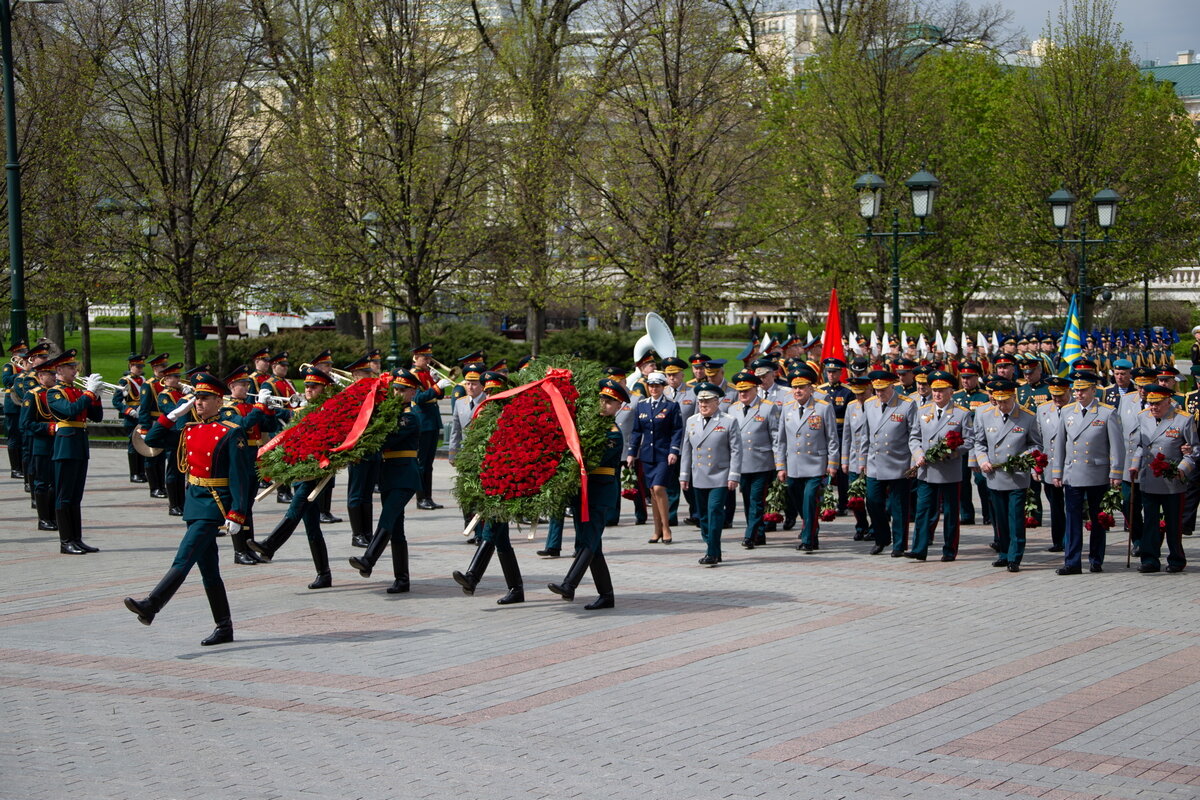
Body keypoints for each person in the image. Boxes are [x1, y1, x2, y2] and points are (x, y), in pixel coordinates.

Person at [123, 372, 250, 646]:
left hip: (214, 507)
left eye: (204, 398)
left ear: (219, 400)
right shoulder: (189, 429)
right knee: (209, 571)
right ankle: (224, 627)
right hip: (194, 504)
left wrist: (237, 512)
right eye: (196, 398)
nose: (199, 403)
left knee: (183, 559)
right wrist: (171, 415)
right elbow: (153, 440)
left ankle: (151, 605)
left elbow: (241, 477)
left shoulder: (231, 432)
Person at [248, 368, 338, 588]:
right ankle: (324, 574)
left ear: (324, 389)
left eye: (314, 387)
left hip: (316, 473)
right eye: (306, 386)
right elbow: (286, 419)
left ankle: (270, 545)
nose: (308, 390)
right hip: (300, 472)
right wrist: (268, 405)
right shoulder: (303, 409)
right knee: (312, 527)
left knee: (295, 509)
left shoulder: (328, 411)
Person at [547, 378, 630, 608]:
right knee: (592, 544)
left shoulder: (613, 434)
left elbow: (591, 461)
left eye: (610, 402)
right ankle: (606, 595)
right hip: (583, 493)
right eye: (602, 399)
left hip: (600, 495)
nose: (604, 404)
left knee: (588, 542)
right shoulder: (589, 427)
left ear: (619, 407)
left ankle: (569, 584)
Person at [350, 370, 427, 594]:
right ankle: (402, 579)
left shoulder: (411, 416)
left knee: (387, 518)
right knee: (396, 529)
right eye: (395, 388)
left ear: (413, 392)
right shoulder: (389, 412)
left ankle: (368, 560)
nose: (397, 392)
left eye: (403, 389)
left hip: (405, 476)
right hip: (388, 475)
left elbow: (386, 439)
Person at [1051, 370, 1124, 575]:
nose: (1079, 394)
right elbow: (1060, 444)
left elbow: (1116, 445)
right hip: (1073, 472)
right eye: (1076, 390)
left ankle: (1096, 559)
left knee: (1097, 518)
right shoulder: (1067, 411)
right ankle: (1072, 561)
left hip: (1097, 471)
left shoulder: (1107, 412)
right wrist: (1057, 471)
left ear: (1094, 390)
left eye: (1083, 390)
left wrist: (1116, 472)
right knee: (1072, 519)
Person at [972, 378, 1043, 573]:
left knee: (1015, 518)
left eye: (1005, 401)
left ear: (1013, 398)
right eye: (998, 401)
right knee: (1000, 519)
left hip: (1017, 475)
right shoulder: (986, 415)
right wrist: (982, 460)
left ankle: (1015, 556)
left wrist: (1023, 458)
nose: (1001, 405)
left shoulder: (1027, 417)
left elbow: (1036, 444)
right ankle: (1003, 553)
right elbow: (979, 442)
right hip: (994, 474)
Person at [1128, 385, 1198, 573]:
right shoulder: (1143, 417)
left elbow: (1194, 452)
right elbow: (1141, 446)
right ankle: (1149, 559)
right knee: (1149, 521)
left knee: (1173, 523)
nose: (1153, 408)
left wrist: (1182, 470)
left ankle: (1176, 559)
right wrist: (1134, 464)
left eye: (1157, 403)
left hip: (1172, 481)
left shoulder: (1183, 419)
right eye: (1150, 403)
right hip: (1149, 477)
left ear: (1168, 401)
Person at [43, 350, 106, 554]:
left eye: (75, 366)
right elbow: (69, 411)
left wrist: (96, 396)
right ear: (59, 369)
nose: (75, 370)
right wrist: (89, 393)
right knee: (64, 495)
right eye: (71, 367)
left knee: (76, 496)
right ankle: (65, 541)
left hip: (79, 445)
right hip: (65, 447)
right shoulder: (54, 392)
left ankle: (77, 539)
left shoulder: (78, 392)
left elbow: (96, 417)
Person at [906, 371, 971, 562]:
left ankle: (949, 550)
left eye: (941, 391)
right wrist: (918, 454)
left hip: (949, 469)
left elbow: (969, 441)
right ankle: (919, 548)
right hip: (926, 469)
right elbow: (914, 437)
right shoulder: (923, 411)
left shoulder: (961, 413)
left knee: (951, 513)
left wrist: (951, 452)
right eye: (934, 390)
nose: (937, 394)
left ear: (951, 392)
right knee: (923, 510)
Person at [773, 365, 838, 553]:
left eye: (802, 387)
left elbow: (832, 438)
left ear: (811, 389)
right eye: (795, 387)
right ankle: (811, 526)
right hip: (793, 465)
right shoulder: (787, 408)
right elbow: (781, 440)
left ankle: (808, 539)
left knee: (810, 499)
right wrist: (780, 466)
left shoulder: (822, 408)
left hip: (816, 464)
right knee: (798, 499)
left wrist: (832, 464)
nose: (798, 391)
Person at [221, 365, 278, 565]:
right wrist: (260, 407)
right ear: (231, 386)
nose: (246, 387)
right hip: (240, 457)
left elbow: (270, 427)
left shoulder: (250, 406)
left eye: (247, 384)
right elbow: (242, 426)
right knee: (240, 503)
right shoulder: (227, 408)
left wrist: (269, 410)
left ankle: (249, 546)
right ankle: (239, 551)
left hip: (254, 456)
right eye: (242, 384)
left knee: (248, 505)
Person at [679, 381, 741, 566]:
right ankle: (713, 547)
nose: (703, 405)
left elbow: (736, 450)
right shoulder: (691, 421)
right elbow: (687, 449)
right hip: (699, 476)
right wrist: (684, 475)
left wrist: (734, 475)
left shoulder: (728, 421)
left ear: (717, 402)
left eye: (708, 401)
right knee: (703, 516)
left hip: (720, 475)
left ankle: (711, 552)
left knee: (714, 511)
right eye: (701, 402)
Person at [857, 370, 917, 556]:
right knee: (873, 502)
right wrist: (862, 459)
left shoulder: (907, 404)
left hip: (899, 462)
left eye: (883, 390)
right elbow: (865, 434)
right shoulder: (869, 404)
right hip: (875, 462)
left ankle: (899, 544)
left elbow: (914, 434)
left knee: (899, 506)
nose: (879, 394)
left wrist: (913, 461)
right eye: (876, 390)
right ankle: (882, 537)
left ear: (892, 386)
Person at [627, 371, 683, 544]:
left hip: (664, 454)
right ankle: (656, 529)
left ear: (663, 387)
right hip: (647, 455)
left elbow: (677, 430)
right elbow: (636, 431)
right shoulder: (642, 405)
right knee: (652, 492)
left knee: (659, 489)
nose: (653, 389)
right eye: (651, 386)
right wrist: (631, 452)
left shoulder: (671, 406)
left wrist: (674, 450)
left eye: (657, 386)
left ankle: (666, 527)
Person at [728, 370, 779, 549]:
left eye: (747, 390)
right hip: (742, 463)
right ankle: (759, 533)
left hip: (761, 462)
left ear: (755, 389)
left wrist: (779, 464)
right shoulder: (733, 408)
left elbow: (776, 437)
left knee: (757, 500)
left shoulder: (767, 407)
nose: (743, 394)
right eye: (740, 391)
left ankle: (750, 535)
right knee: (748, 499)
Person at [343, 354, 382, 548]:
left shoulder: (373, 393)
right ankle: (357, 533)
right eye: (364, 374)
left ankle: (367, 531)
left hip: (373, 449)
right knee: (357, 493)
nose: (368, 377)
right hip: (357, 450)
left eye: (369, 373)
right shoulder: (350, 395)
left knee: (367, 493)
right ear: (355, 375)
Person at [20, 358, 60, 534]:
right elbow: (26, 423)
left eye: (54, 373)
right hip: (42, 444)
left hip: (58, 443)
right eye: (50, 374)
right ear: (40, 376)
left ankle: (53, 517)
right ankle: (43, 519)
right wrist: (49, 428)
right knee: (42, 482)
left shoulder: (57, 393)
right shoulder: (33, 395)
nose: (53, 377)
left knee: (55, 482)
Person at [409, 343, 451, 510]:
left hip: (432, 420)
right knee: (421, 462)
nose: (428, 361)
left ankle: (428, 497)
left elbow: (436, 396)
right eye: (424, 358)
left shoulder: (425, 373)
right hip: (422, 421)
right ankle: (421, 498)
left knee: (428, 463)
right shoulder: (414, 375)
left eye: (429, 358)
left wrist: (439, 384)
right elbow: (419, 398)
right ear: (415, 358)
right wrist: (436, 387)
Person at [1035, 376, 1072, 554]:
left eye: (1061, 395)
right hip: (1050, 464)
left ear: (1069, 391)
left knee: (1072, 504)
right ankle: (1058, 539)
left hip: (1071, 464)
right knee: (1055, 504)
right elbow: (1038, 439)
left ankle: (1070, 539)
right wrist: (1037, 464)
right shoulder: (1042, 409)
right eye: (1054, 395)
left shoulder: (1075, 409)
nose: (1057, 399)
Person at [137, 352, 172, 500]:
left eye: (165, 366)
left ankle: (162, 486)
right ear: (154, 368)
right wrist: (145, 428)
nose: (164, 369)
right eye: (161, 366)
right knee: (152, 456)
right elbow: (144, 408)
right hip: (153, 423)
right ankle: (154, 487)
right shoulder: (149, 385)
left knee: (162, 456)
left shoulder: (167, 383)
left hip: (164, 423)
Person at [112, 353, 148, 484]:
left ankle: (142, 472)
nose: (139, 369)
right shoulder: (124, 381)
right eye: (137, 366)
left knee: (143, 443)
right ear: (130, 366)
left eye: (141, 366)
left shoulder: (144, 380)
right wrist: (127, 410)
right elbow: (116, 401)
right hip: (132, 417)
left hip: (143, 415)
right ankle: (134, 473)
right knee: (133, 444)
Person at [4, 340, 28, 479]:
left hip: (24, 404)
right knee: (14, 437)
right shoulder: (10, 366)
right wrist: (22, 373)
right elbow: (6, 380)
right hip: (13, 405)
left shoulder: (27, 367)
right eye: (21, 352)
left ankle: (23, 468)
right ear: (14, 353)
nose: (24, 354)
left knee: (24, 437)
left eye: (25, 351)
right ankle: (15, 469)